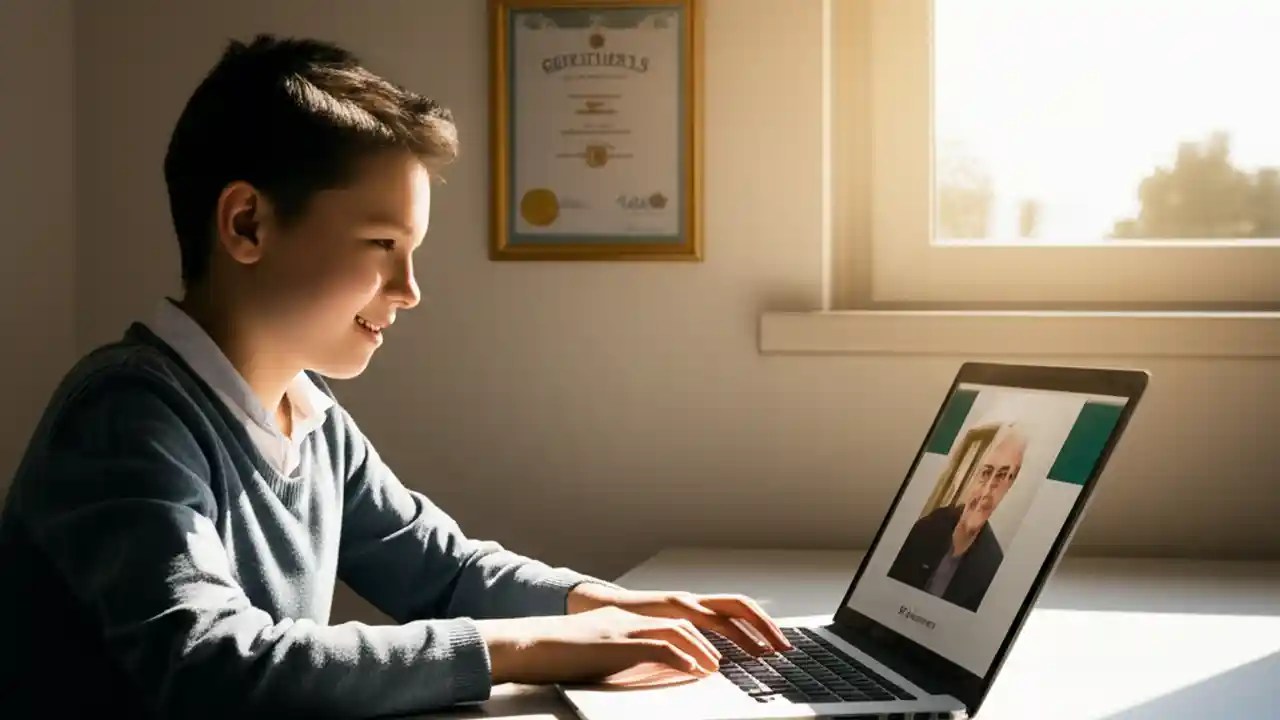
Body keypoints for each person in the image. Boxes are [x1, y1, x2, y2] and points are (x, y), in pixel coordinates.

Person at [0, 34, 792, 717]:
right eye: (382, 246)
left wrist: (608, 604)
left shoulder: (307, 416)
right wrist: (522, 646)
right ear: (247, 224)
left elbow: (439, 569)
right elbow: (212, 664)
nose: (410, 289)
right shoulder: (127, 415)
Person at [887, 424, 1028, 612]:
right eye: (986, 473)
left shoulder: (993, 566)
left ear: (1010, 486)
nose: (987, 491)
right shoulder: (927, 527)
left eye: (1002, 477)